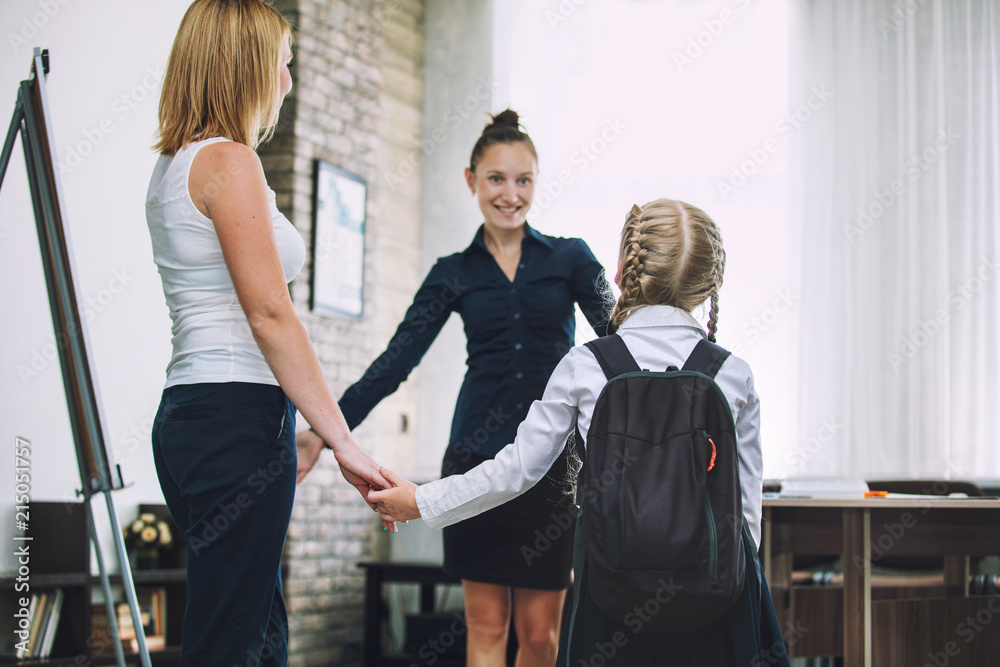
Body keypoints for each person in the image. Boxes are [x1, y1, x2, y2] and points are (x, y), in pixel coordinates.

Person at [369, 199, 783, 666]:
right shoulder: (734, 374)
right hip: (715, 598)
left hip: (612, 595)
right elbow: (746, 514)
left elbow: (516, 470)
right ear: (712, 281)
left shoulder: (586, 365)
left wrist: (420, 501)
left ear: (624, 270)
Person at [298, 110, 611, 666]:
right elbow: (396, 361)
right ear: (471, 180)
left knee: (540, 637)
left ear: (536, 183)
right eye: (496, 179)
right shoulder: (453, 271)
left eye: (523, 180)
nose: (509, 194)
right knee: (486, 628)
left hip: (552, 468)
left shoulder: (571, 258)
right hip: (474, 460)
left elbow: (620, 346)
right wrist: (325, 433)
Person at [145, 2, 390, 664]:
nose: (288, 80)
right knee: (235, 638)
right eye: (283, 64)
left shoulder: (173, 165)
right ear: (248, 68)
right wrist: (342, 441)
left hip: (195, 416)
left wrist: (306, 429)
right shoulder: (229, 162)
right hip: (238, 417)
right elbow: (270, 314)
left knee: (253, 625)